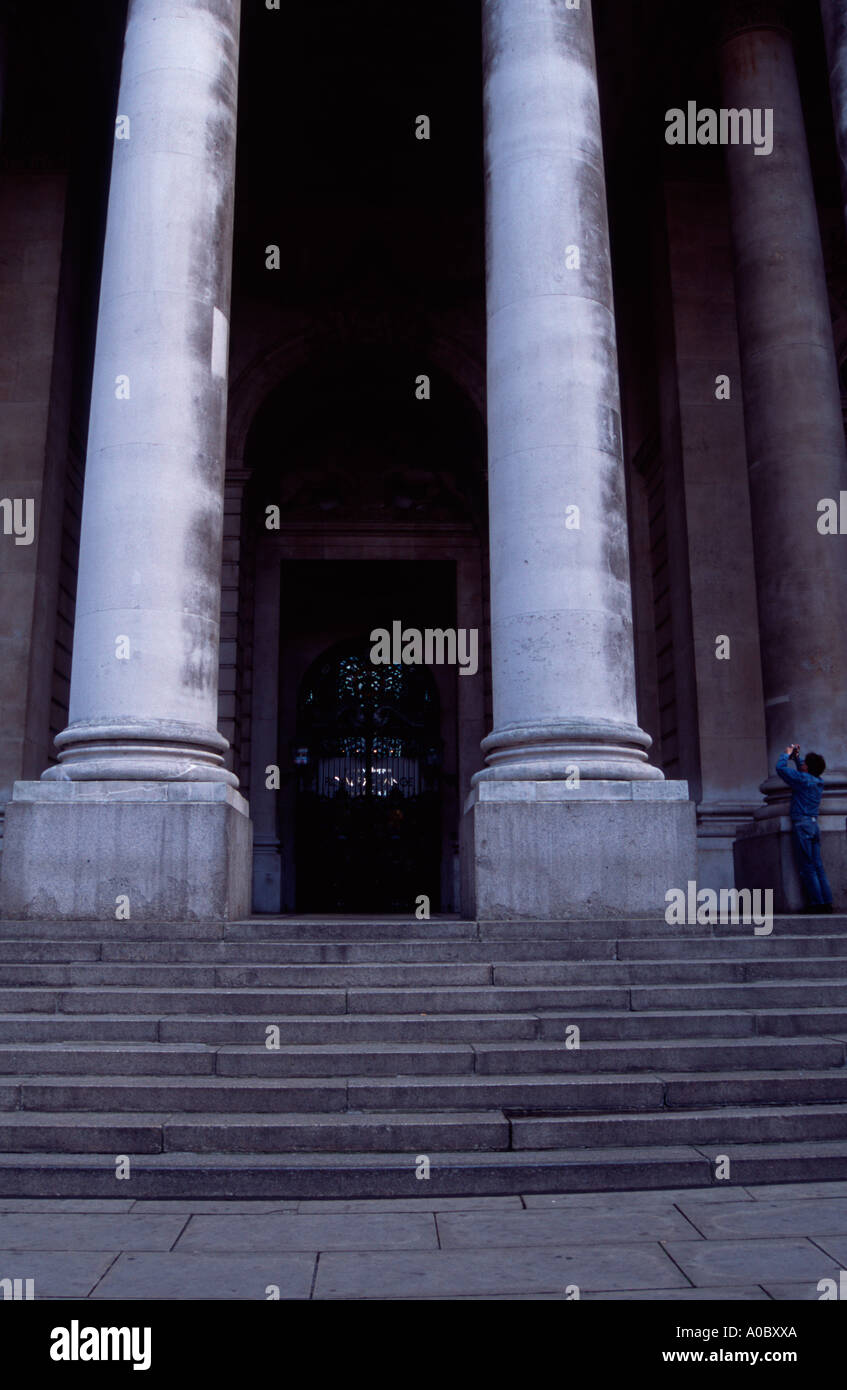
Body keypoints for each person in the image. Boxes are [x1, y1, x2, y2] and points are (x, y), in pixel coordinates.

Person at [775, 743, 834, 913]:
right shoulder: (817, 781)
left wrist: (786, 754)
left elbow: (780, 769)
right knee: (818, 866)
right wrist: (797, 757)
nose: (803, 766)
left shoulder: (802, 780)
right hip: (814, 825)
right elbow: (804, 771)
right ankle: (826, 901)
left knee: (807, 867)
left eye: (805, 764)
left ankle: (816, 903)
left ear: (808, 768)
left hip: (802, 825)